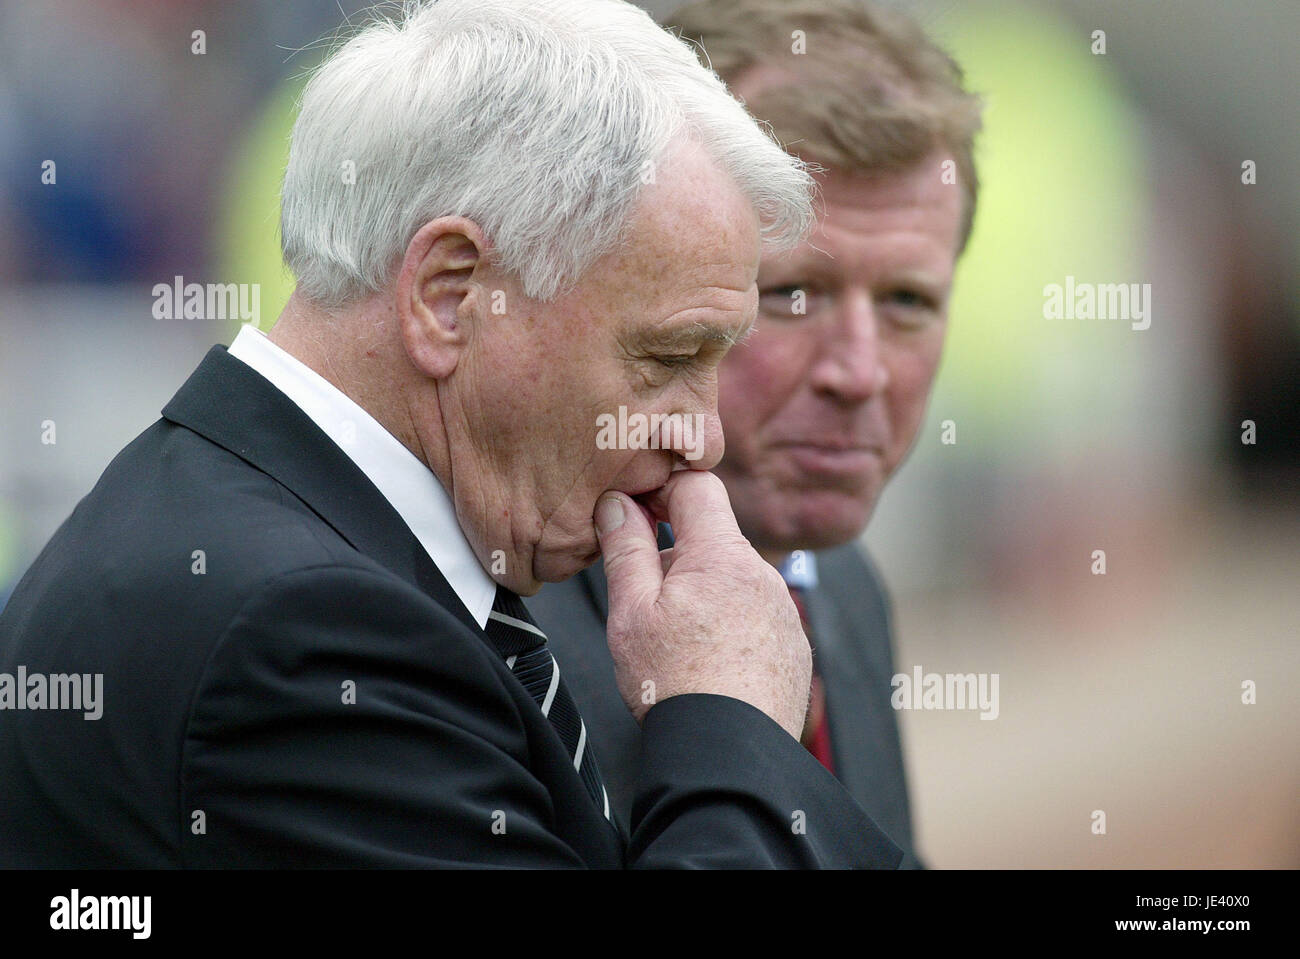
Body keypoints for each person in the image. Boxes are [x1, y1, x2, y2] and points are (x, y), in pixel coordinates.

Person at [0, 0, 903, 869]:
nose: (704, 439)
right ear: (448, 295)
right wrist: (731, 719)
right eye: (668, 355)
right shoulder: (303, 631)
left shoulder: (289, 540)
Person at [529, 0, 983, 868]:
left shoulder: (842, 587)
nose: (860, 371)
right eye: (792, 294)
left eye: (907, 300)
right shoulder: (505, 626)